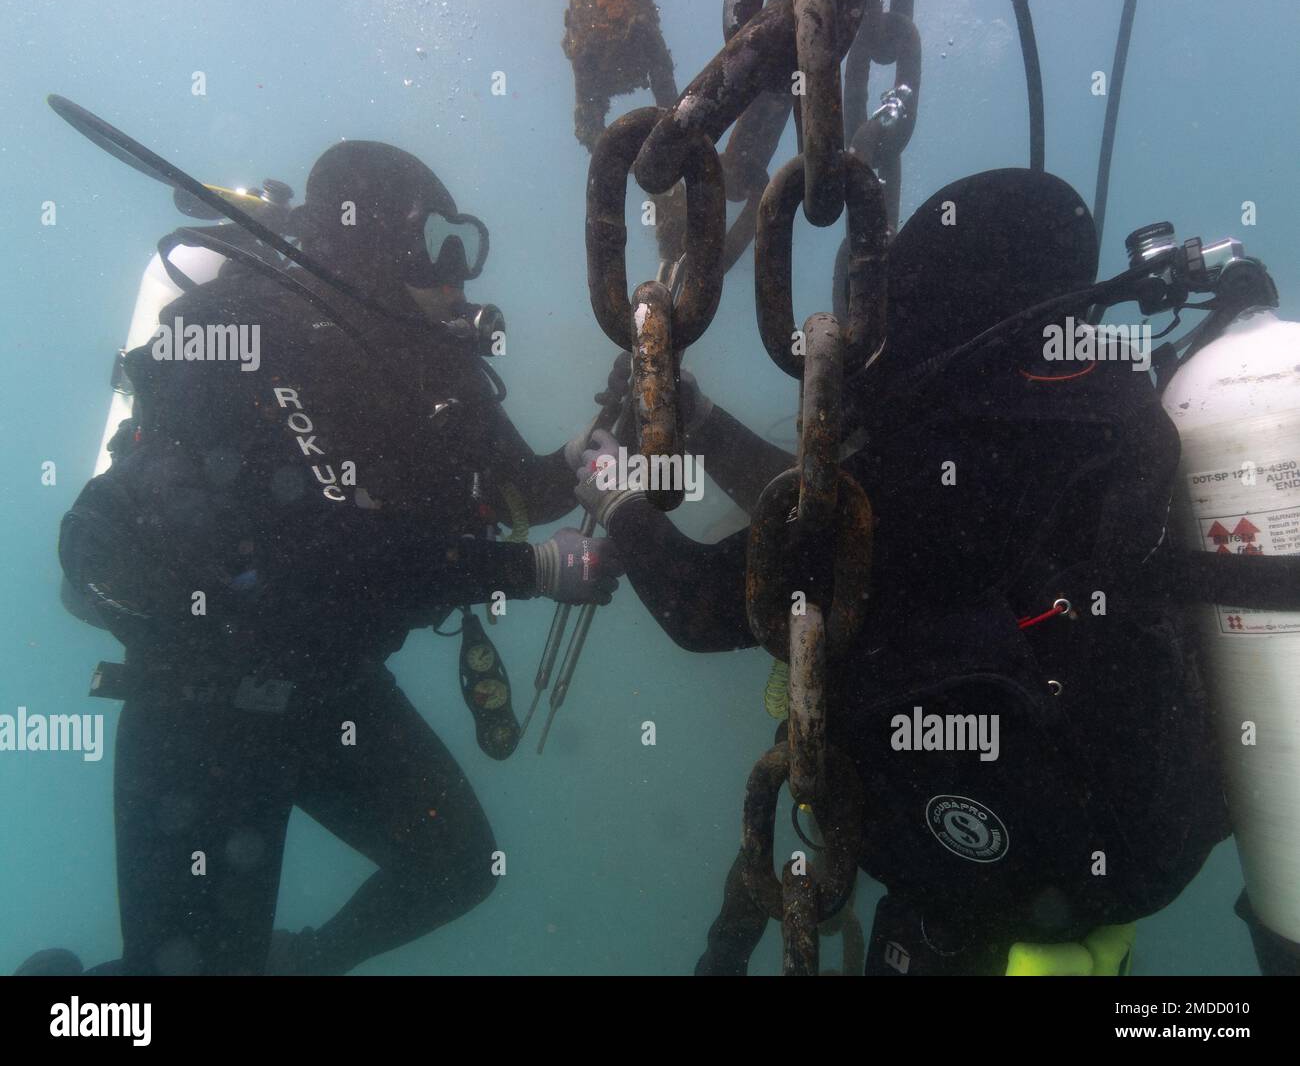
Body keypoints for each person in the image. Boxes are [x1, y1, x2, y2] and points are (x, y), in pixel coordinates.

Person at [573, 168, 1231, 975]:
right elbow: (834, 527)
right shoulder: (1091, 421)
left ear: (932, 306)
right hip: (1118, 844)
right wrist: (701, 423)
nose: (859, 344)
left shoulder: (954, 465)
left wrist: (615, 497)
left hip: (998, 879)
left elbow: (707, 604)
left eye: (876, 315)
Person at [25, 140, 622, 977]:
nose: (460, 273)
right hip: (205, 701)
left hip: (327, 684)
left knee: (456, 863)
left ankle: (297, 966)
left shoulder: (427, 366)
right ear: (376, 242)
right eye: (437, 242)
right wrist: (534, 572)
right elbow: (325, 553)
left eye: (464, 245)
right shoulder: (267, 336)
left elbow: (503, 494)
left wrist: (580, 461)